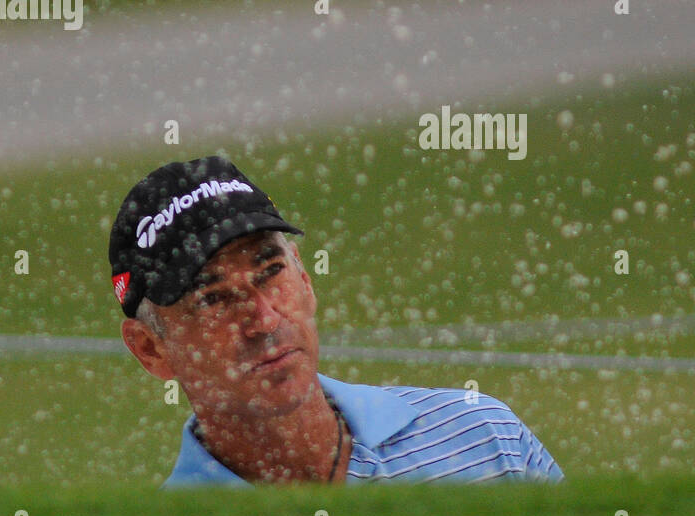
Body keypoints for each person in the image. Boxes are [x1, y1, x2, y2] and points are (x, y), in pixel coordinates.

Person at [109, 156, 564, 486]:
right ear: (151, 348)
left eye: (271, 274)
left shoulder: (482, 435)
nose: (264, 321)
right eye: (212, 300)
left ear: (305, 279)